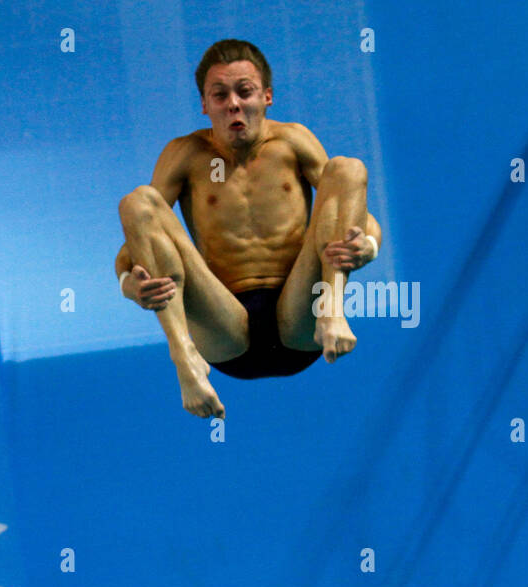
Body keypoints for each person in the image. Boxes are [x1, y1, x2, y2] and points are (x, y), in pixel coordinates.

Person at [116, 38, 382, 418]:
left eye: (245, 92)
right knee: (137, 202)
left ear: (267, 97)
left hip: (303, 316)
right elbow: (131, 250)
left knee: (348, 169)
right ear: (205, 105)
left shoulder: (292, 142)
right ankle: (184, 359)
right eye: (220, 96)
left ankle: (334, 312)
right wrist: (129, 287)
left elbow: (355, 214)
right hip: (224, 328)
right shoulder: (186, 155)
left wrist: (368, 246)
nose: (234, 104)